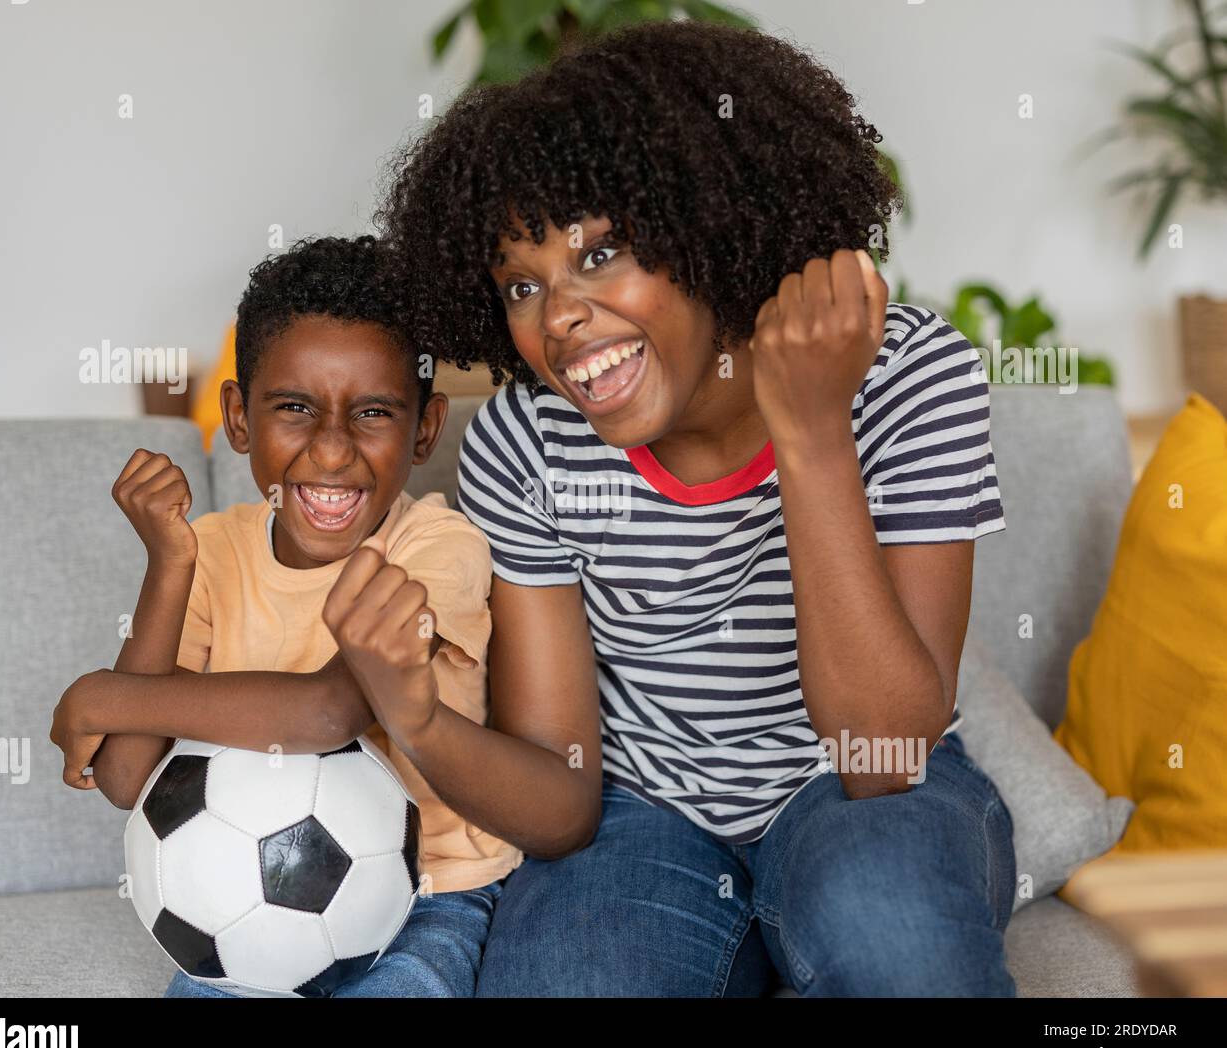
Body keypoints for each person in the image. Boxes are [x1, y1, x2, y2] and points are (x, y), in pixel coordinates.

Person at [376, 21, 1018, 996]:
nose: (557, 317)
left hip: (854, 793)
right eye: (522, 281)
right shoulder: (523, 441)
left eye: (603, 253)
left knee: (896, 939)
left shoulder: (907, 374)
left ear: (713, 223)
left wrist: (806, 427)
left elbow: (881, 754)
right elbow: (561, 785)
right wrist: (417, 715)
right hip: (640, 812)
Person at [50, 236, 521, 996]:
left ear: (425, 429)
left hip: (429, 895)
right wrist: (169, 567)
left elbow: (330, 709)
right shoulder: (209, 553)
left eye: (371, 412)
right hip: (235, 902)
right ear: (238, 417)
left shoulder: (438, 548)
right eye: (295, 408)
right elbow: (127, 775)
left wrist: (103, 694)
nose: (332, 451)